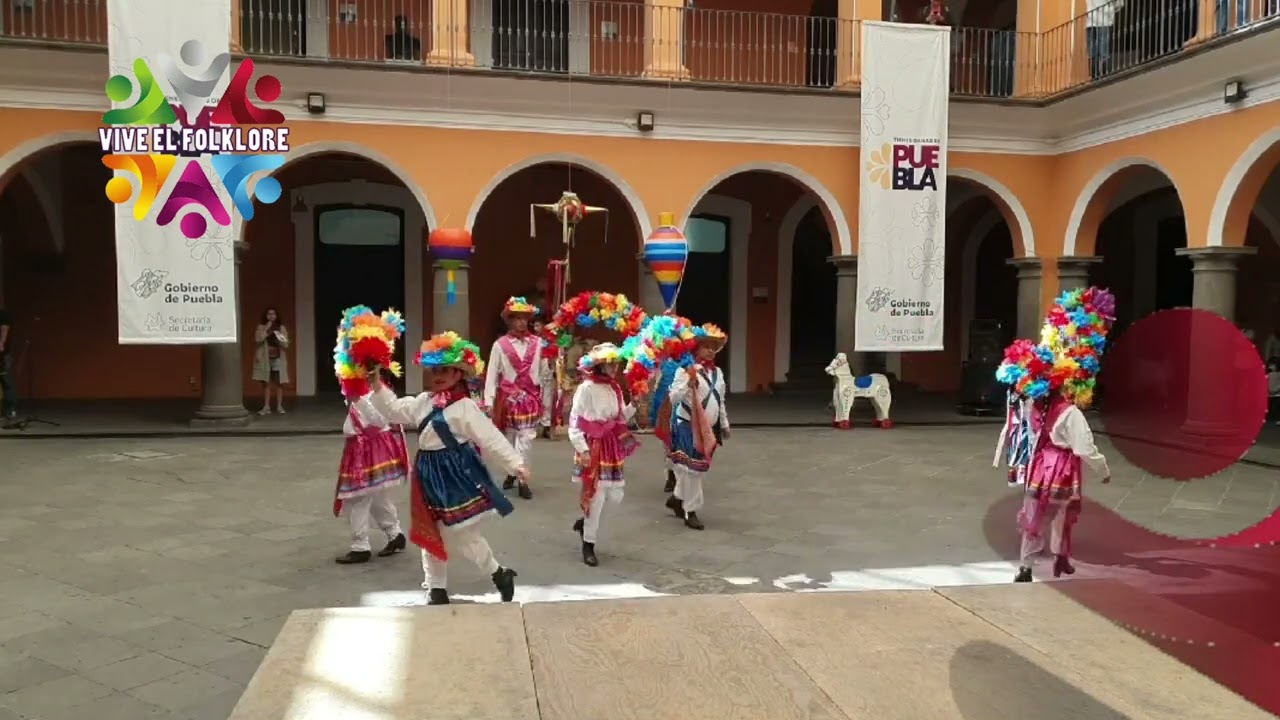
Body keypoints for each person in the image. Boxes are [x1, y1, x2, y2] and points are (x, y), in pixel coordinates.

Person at [360, 331, 527, 606]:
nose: (438, 376)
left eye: (445, 370)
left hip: (454, 474)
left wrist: (515, 464)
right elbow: (392, 409)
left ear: (459, 374)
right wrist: (377, 385)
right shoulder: (423, 402)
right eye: (434, 370)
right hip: (426, 473)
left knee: (464, 534)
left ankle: (498, 573)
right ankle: (436, 588)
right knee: (430, 530)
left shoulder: (465, 407)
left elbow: (490, 436)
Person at [999, 287, 1116, 583]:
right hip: (1062, 469)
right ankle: (1059, 556)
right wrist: (1103, 470)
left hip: (1040, 465)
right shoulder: (1070, 413)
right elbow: (1085, 448)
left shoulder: (1035, 405)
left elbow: (1024, 429)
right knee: (1061, 516)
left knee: (1034, 514)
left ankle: (1026, 565)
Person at [567, 343, 639, 566]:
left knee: (616, 496)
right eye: (609, 363)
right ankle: (589, 543)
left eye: (616, 362)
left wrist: (634, 404)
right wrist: (583, 449)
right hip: (593, 444)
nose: (614, 367)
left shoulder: (615, 388)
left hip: (612, 445)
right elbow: (575, 420)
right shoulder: (586, 388)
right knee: (596, 496)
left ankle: (584, 522)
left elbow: (620, 417)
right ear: (599, 365)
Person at [665, 324, 730, 531]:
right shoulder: (685, 370)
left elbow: (720, 401)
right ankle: (690, 511)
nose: (710, 350)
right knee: (693, 470)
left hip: (708, 428)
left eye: (713, 347)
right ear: (697, 349)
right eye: (706, 346)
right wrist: (688, 383)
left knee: (691, 469)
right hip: (687, 425)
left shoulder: (718, 373)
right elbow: (673, 398)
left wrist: (724, 423)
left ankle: (677, 498)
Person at [332, 398, 409, 564]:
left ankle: (360, 546)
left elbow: (379, 420)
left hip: (367, 450)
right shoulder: (364, 391)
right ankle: (394, 534)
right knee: (376, 497)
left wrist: (358, 398)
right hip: (364, 448)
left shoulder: (371, 392)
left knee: (357, 498)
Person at [484, 297, 545, 499]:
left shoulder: (538, 343)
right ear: (508, 320)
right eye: (516, 318)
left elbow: (542, 370)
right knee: (509, 439)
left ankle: (522, 479)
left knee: (526, 438)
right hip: (508, 399)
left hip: (529, 398)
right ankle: (512, 471)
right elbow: (492, 374)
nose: (520, 322)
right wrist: (488, 401)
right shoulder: (500, 345)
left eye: (524, 318)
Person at [252, 308, 290, 414]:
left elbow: (286, 344)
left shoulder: (281, 327)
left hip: (278, 357)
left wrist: (279, 336)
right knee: (266, 382)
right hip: (265, 357)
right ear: (266, 316)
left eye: (273, 314)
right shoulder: (261, 327)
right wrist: (267, 329)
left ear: (277, 316)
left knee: (279, 382)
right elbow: (258, 339)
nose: (271, 316)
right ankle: (266, 406)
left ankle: (279, 406)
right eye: (269, 314)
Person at [993, 388, 1033, 487]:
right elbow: (1011, 406)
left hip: (1028, 424)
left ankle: (1024, 474)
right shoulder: (1013, 392)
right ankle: (1017, 473)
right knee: (1016, 449)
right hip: (1018, 425)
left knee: (1026, 449)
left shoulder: (1031, 390)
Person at [0, 305, 16, 421]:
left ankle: (10, 410)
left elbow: (5, 328)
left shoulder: (2, 314)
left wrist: (1, 342)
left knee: (7, 382)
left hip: (3, 356)